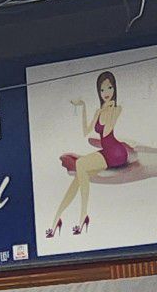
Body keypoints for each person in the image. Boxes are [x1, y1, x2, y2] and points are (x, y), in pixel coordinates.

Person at [47, 70, 132, 239]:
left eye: (109, 88)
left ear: (114, 88)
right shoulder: (99, 111)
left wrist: (109, 111)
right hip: (106, 152)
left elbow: (107, 132)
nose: (106, 93)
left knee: (80, 165)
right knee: (79, 176)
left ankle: (82, 216)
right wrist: (85, 107)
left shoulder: (117, 109)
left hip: (116, 153)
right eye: (102, 90)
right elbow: (86, 131)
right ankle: (56, 219)